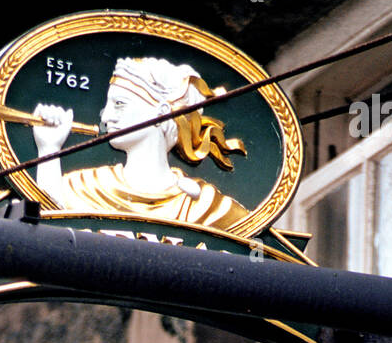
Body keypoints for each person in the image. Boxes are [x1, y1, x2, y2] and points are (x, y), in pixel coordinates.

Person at [32, 55, 256, 239]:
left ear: (161, 113)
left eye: (119, 104)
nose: (107, 117)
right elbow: (44, 233)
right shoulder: (80, 186)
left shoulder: (211, 207)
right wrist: (49, 149)